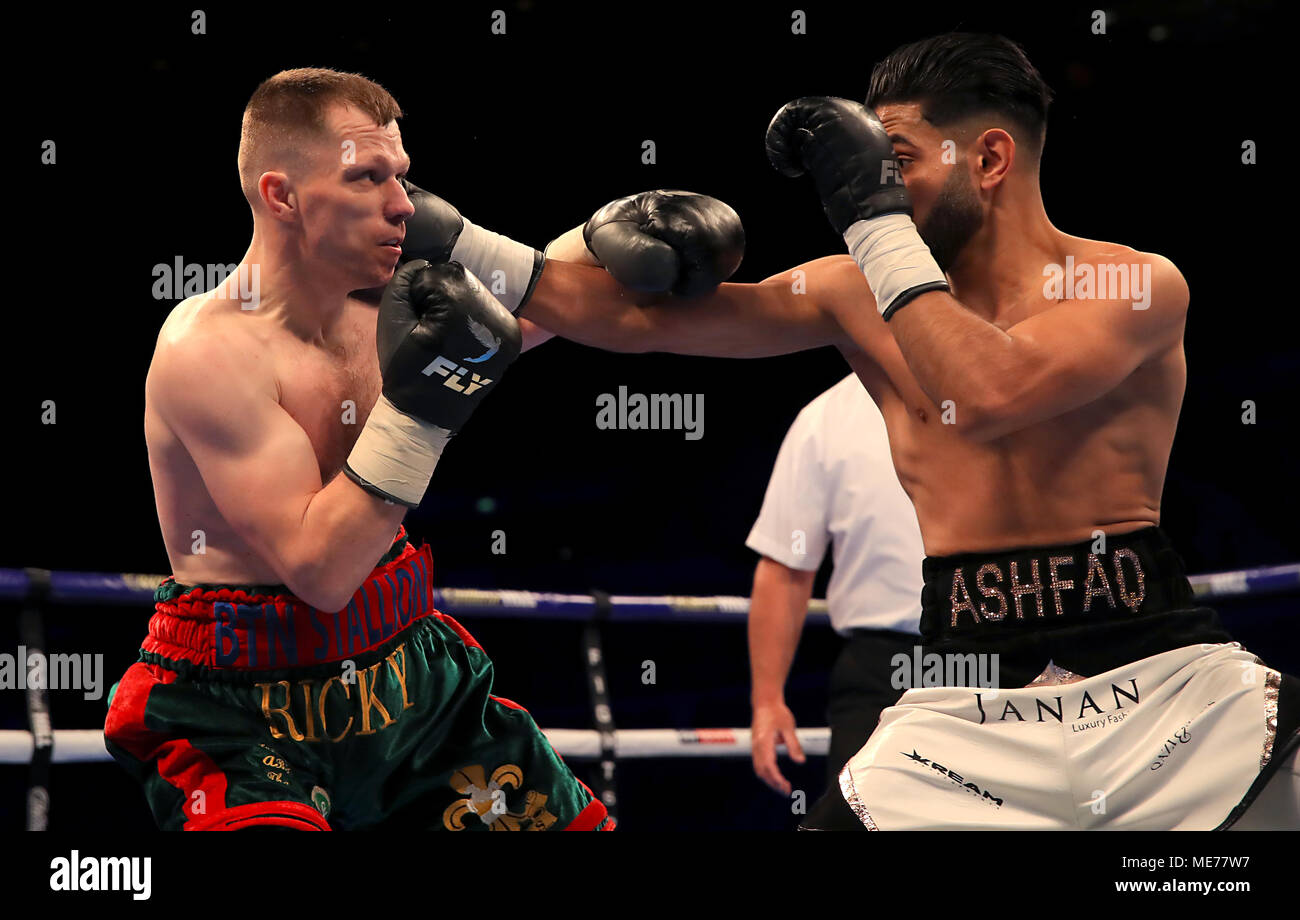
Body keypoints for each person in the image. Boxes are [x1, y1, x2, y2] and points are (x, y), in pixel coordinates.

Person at [525, 33, 1300, 829]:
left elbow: (992, 390)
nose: (869, 190)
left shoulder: (1133, 283)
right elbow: (633, 323)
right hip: (964, 697)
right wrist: (523, 243)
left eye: (894, 161)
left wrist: (874, 224)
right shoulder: (851, 289)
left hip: (1167, 683)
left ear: (989, 158)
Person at [103, 67, 744, 831]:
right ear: (282, 196)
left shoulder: (385, 299)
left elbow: (505, 331)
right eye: (367, 177)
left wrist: (596, 237)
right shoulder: (207, 352)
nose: (403, 204)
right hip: (242, 709)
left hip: (409, 676)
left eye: (401, 175)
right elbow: (323, 572)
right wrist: (424, 410)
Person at [746, 374, 924, 803]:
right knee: (861, 818)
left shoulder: (1004, 389)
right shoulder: (827, 417)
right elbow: (785, 569)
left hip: (1004, 654)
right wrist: (767, 699)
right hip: (881, 673)